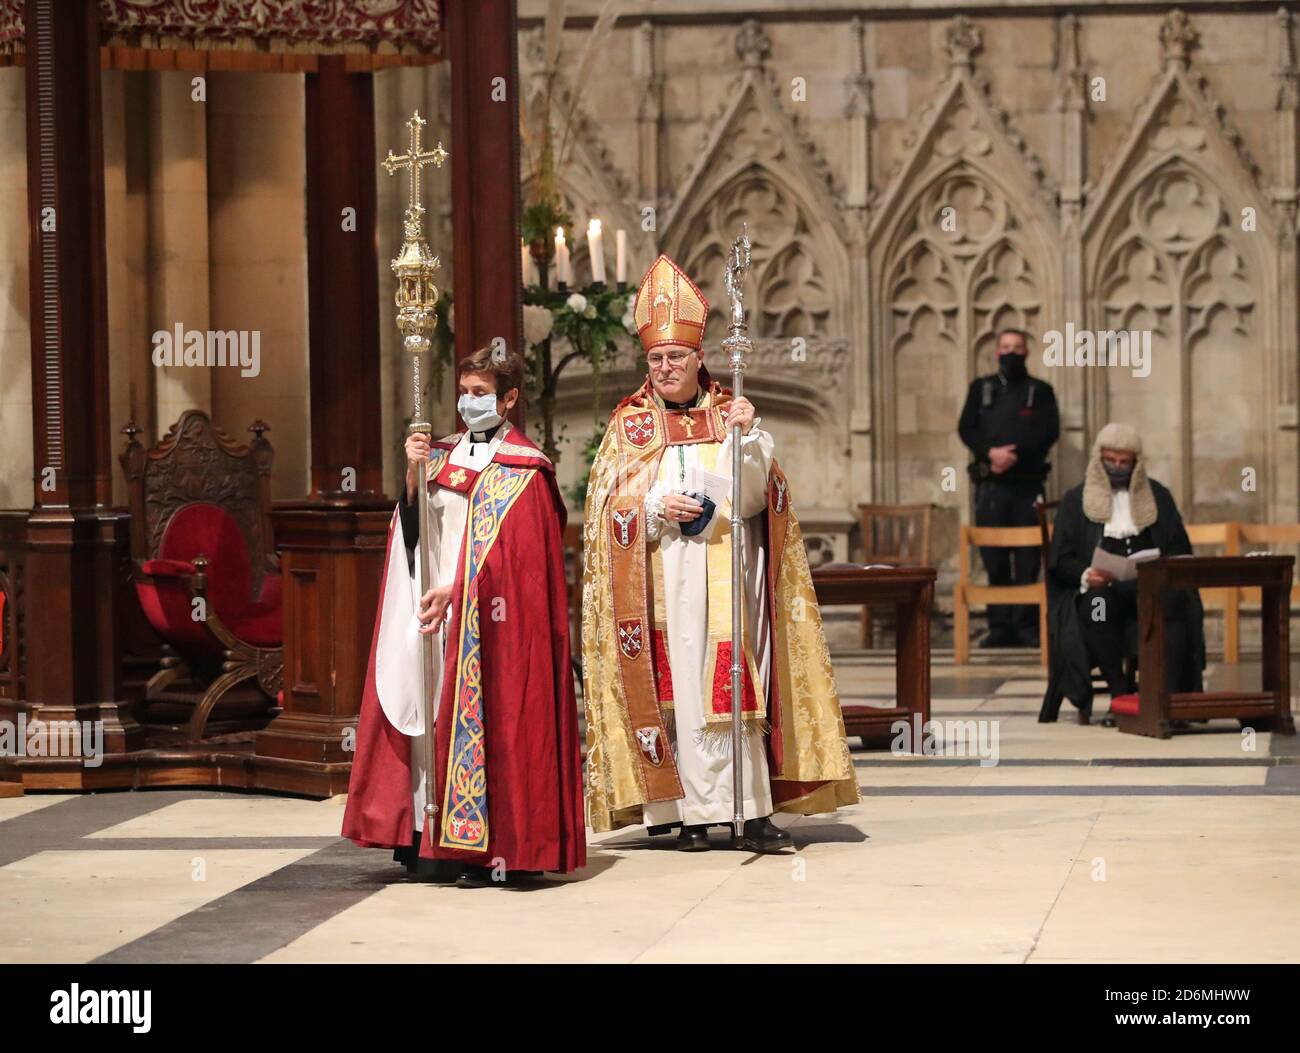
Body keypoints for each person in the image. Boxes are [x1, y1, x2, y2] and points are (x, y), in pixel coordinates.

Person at [582, 254, 859, 853]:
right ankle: (683, 812)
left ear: (698, 357)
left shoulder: (729, 415)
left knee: (732, 686)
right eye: (654, 359)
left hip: (724, 579)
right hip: (659, 585)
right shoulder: (629, 425)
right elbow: (607, 510)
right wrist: (655, 508)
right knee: (674, 690)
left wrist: (749, 438)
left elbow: (763, 498)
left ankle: (748, 809)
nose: (663, 368)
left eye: (674, 358)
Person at [342, 346, 586, 887]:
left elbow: (524, 571)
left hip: (491, 626)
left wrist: (462, 590)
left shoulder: (527, 469)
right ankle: (431, 845)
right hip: (433, 611)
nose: (468, 403)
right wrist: (413, 472)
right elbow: (412, 529)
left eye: (480, 394)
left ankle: (501, 850)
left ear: (509, 399)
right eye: (464, 392)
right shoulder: (442, 454)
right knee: (429, 718)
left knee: (496, 718)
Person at [1040, 422, 1205, 725]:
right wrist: (1088, 574)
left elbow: (1181, 547)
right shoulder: (1075, 501)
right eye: (1111, 461)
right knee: (1096, 607)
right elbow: (1060, 560)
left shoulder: (1159, 496)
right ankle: (1120, 695)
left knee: (1177, 602)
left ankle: (1166, 699)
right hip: (1105, 592)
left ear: (1136, 463)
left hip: (1152, 590)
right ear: (1098, 459)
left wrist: (1161, 568)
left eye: (1124, 462)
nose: (1117, 468)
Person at [957, 328, 1060, 647]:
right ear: (997, 352)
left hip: (1028, 486)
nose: (1011, 353)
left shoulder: (1040, 390)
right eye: (1006, 347)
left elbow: (1049, 431)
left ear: (1027, 353)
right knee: (994, 558)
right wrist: (991, 453)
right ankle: (1000, 627)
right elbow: (966, 427)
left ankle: (1027, 626)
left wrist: (1014, 456)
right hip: (991, 488)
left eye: (1017, 347)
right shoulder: (981, 388)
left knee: (1029, 557)